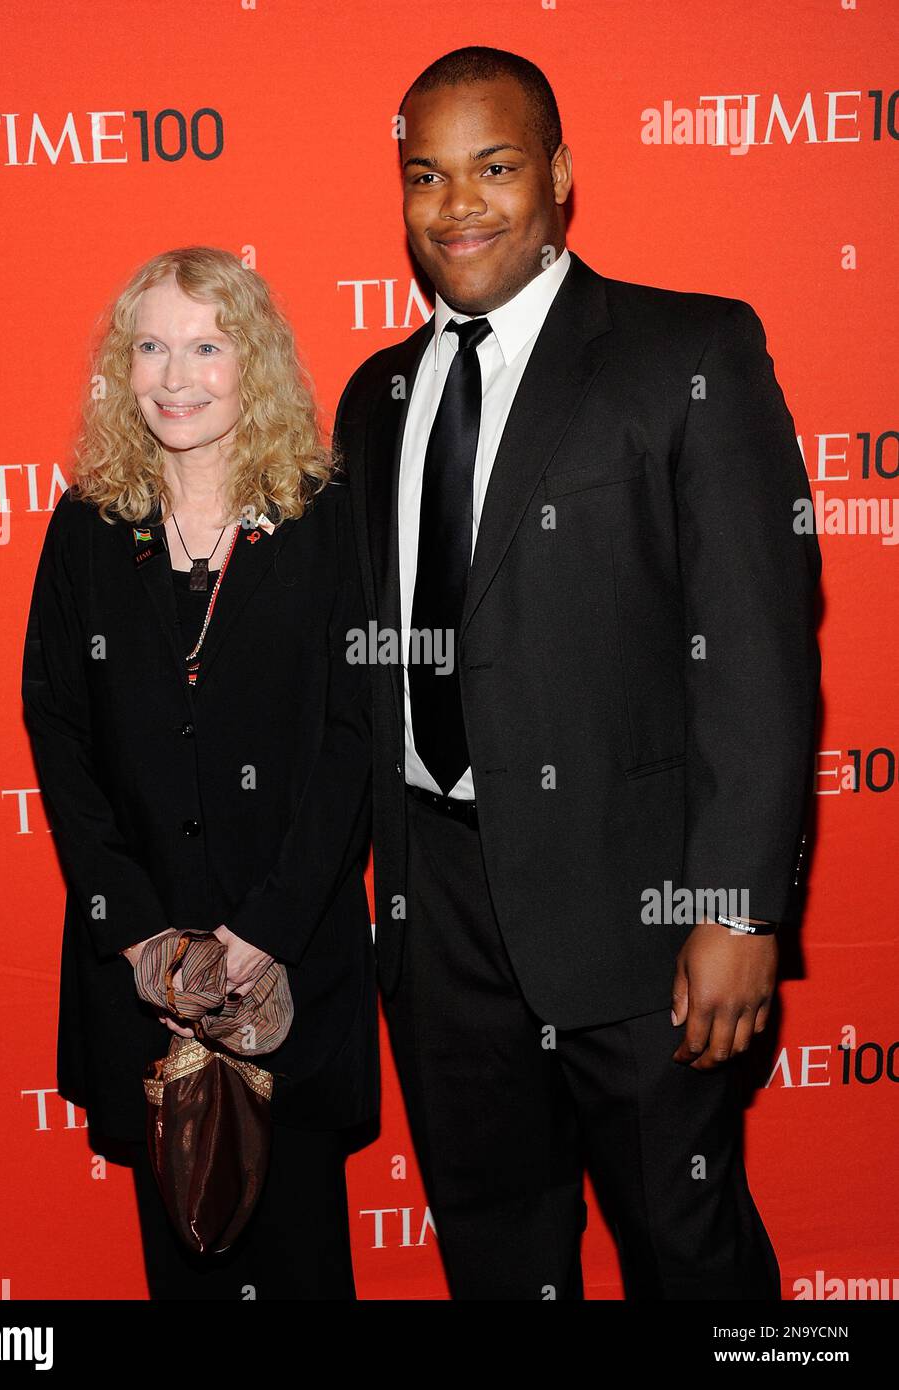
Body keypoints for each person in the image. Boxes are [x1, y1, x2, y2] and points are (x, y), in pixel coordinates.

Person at [335, 47, 821, 1299]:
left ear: (557, 174)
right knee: (497, 1259)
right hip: (436, 916)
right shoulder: (377, 397)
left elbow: (758, 651)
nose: (458, 206)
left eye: (493, 167)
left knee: (687, 1255)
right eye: (425, 175)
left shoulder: (686, 352)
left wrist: (737, 908)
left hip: (639, 912)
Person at [22, 245, 378, 1300]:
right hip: (140, 983)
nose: (175, 375)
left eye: (206, 345)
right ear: (121, 368)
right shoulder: (88, 527)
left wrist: (263, 934)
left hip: (292, 971)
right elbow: (59, 734)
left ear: (252, 362)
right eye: (151, 347)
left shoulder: (324, 522)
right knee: (181, 1267)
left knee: (305, 1264)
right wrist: (141, 937)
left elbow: (357, 737)